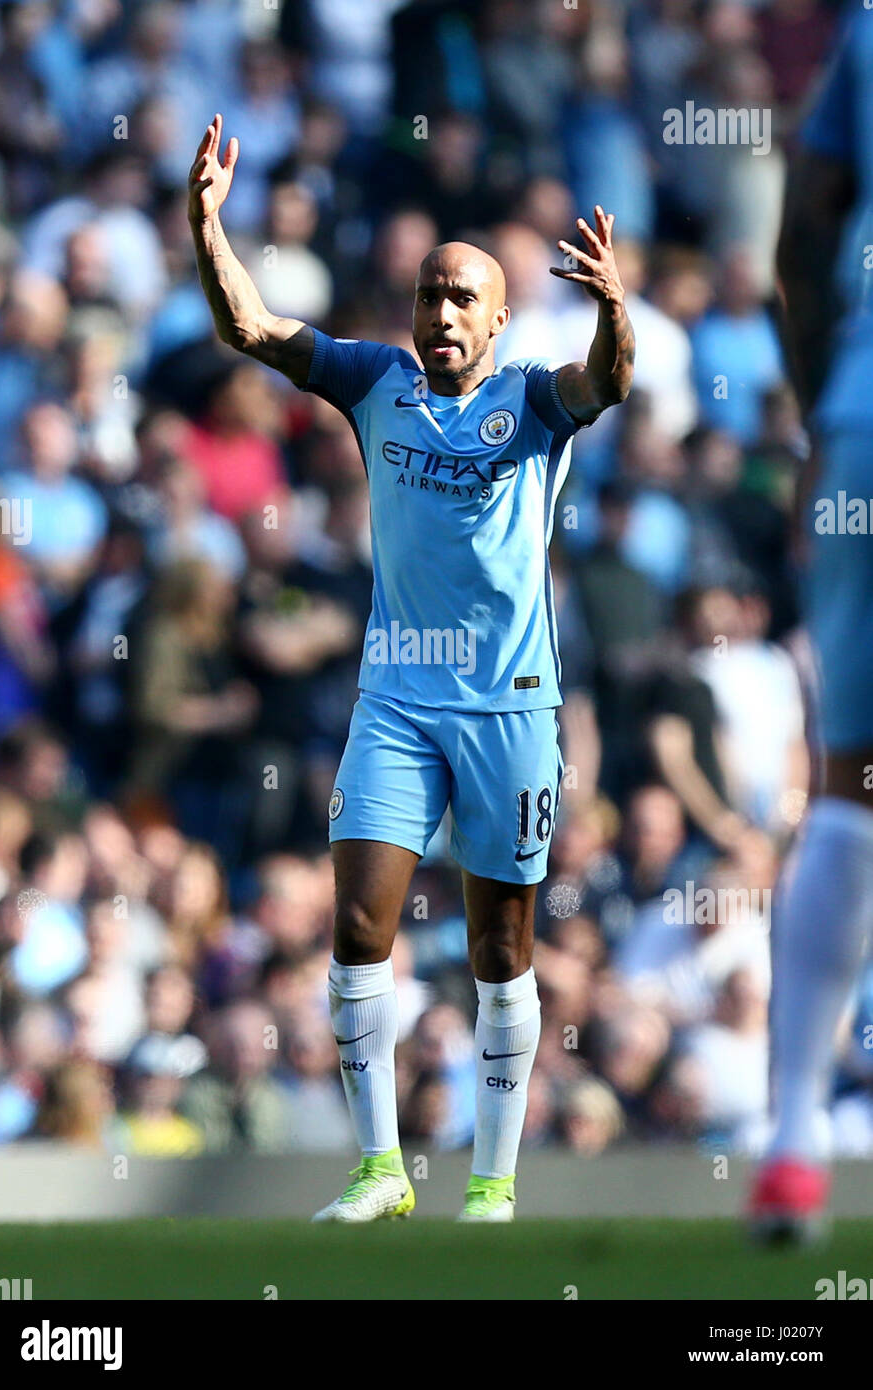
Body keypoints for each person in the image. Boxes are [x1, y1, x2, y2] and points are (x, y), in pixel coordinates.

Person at [188, 113, 634, 1222]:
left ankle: (491, 1181)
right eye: (429, 294)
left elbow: (607, 380)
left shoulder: (531, 403)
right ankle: (381, 1169)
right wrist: (206, 225)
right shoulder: (374, 381)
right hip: (395, 697)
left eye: (462, 298)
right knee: (357, 929)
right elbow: (248, 326)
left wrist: (614, 308)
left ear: (496, 318)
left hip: (510, 708)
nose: (440, 312)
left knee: (500, 947)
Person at [748, 11, 873, 1241]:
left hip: (862, 425)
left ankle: (791, 1141)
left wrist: (825, 407)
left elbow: (801, 230)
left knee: (850, 781)